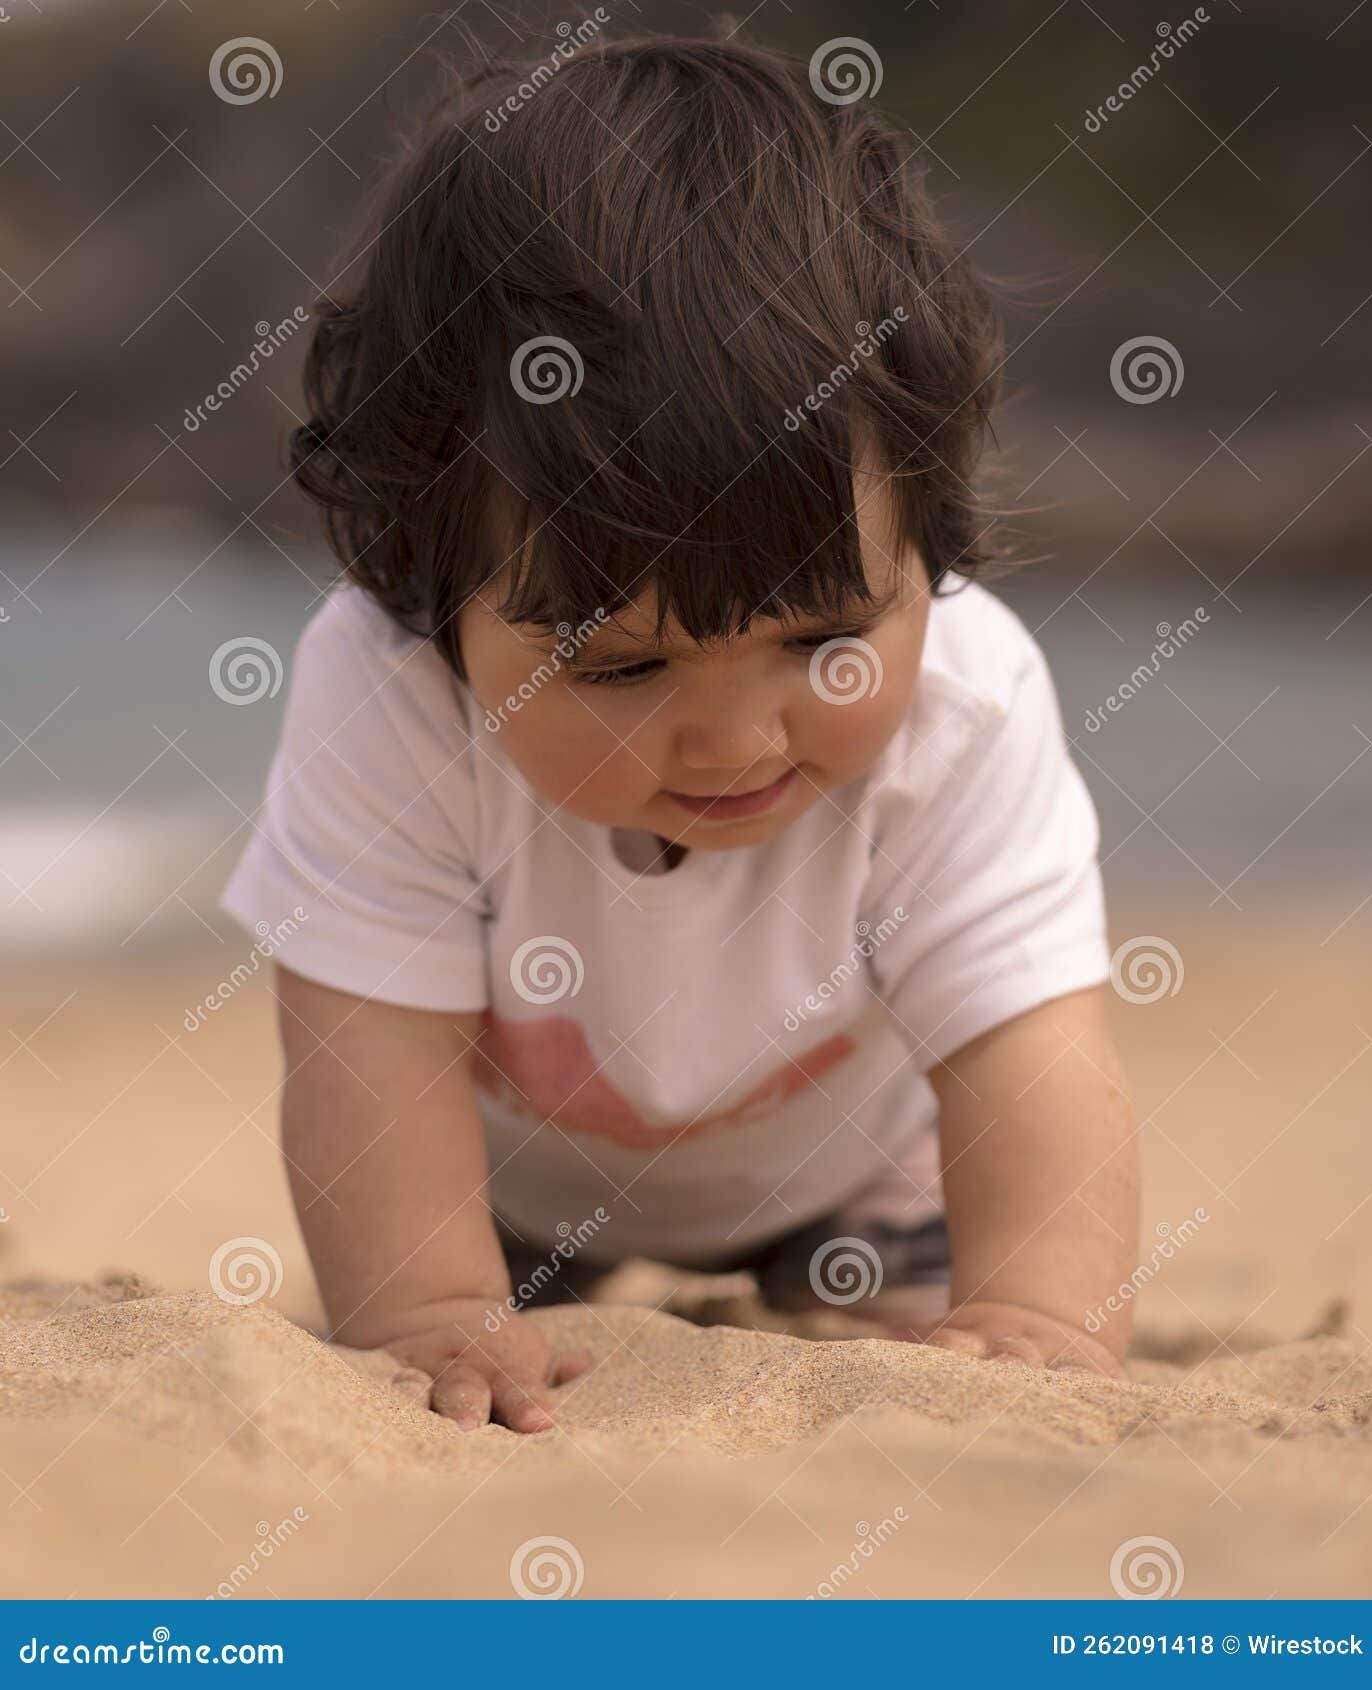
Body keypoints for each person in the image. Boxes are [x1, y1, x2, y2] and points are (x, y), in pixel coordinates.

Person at [222, 28, 1139, 1433]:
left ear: (932, 548)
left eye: (821, 640)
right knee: (459, 1342)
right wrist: (425, 1306)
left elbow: (1029, 1045)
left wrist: (1038, 1311)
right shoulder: (384, 692)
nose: (730, 740)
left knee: (931, 1313)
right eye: (625, 664)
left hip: (851, 1184)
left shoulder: (969, 696)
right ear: (428, 595)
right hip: (510, 1196)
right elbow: (365, 1050)